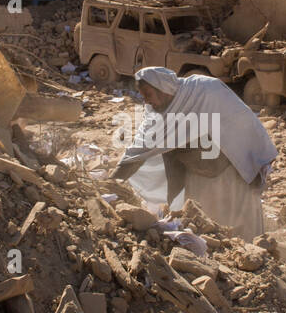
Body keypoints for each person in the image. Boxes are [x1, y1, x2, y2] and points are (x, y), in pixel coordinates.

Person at [112, 67, 277, 241]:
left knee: (240, 226)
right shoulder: (157, 112)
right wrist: (113, 181)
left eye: (148, 94)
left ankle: (252, 254)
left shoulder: (205, 90)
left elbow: (243, 122)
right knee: (206, 231)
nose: (146, 101)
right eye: (143, 96)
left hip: (230, 172)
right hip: (197, 178)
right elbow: (140, 148)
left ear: (163, 89)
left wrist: (258, 156)